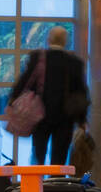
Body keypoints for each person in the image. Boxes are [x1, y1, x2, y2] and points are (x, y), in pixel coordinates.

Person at [9, 25, 89, 166]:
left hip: (40, 115)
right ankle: (56, 179)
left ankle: (37, 178)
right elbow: (81, 92)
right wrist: (82, 119)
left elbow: (25, 80)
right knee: (59, 157)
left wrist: (13, 99)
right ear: (65, 42)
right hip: (65, 117)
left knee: (38, 153)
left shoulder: (38, 58)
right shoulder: (75, 63)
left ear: (49, 40)